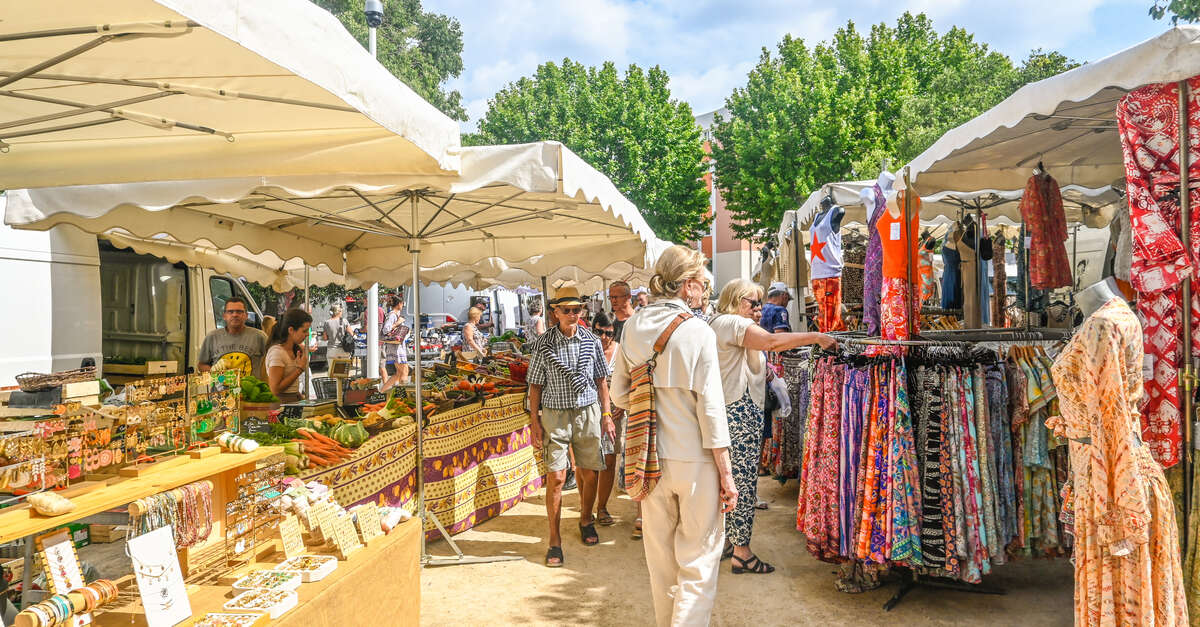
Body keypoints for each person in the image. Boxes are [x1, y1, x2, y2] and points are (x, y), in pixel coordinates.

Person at [610, 245, 737, 626]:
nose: (704, 289)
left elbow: (618, 395)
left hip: (648, 456)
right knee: (698, 561)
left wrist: (650, 394)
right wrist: (727, 474)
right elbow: (711, 410)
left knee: (661, 563)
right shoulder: (698, 330)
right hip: (696, 458)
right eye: (701, 282)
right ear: (687, 287)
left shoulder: (632, 326)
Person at [709, 279, 836, 574]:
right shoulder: (733, 323)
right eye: (753, 303)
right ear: (736, 300)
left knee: (733, 481)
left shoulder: (722, 323)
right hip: (738, 412)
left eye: (760, 303)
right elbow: (771, 341)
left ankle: (730, 542)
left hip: (733, 409)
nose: (758, 309)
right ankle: (742, 551)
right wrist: (816, 336)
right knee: (741, 482)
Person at [528, 286, 615, 568]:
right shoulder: (544, 344)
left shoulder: (591, 340)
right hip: (555, 414)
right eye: (566, 310)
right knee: (556, 477)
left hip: (587, 412)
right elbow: (535, 386)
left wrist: (606, 414)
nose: (572, 314)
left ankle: (586, 518)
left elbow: (602, 380)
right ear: (555, 313)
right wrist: (534, 423)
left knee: (589, 473)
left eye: (576, 310)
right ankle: (554, 540)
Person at [591, 312, 624, 528]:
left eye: (608, 333)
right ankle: (587, 508)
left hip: (613, 412)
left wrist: (622, 403)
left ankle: (601, 506)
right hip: (589, 411)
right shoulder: (587, 348)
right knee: (590, 462)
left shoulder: (620, 351)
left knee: (609, 460)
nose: (604, 337)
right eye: (599, 332)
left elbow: (630, 378)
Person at [198, 296, 269, 379]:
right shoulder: (212, 337)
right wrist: (212, 371)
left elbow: (273, 360)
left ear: (246, 315)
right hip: (220, 391)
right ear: (224, 316)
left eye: (239, 312)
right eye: (230, 312)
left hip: (249, 390)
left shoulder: (259, 336)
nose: (235, 315)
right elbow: (201, 365)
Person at [265, 308, 312, 403]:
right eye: (304, 331)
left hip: (293, 404)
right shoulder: (277, 352)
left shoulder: (294, 349)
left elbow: (291, 387)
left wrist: (298, 396)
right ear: (291, 330)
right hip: (281, 408)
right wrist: (299, 369)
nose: (307, 334)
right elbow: (275, 388)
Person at [381, 295, 410, 390]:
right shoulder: (393, 315)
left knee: (399, 373)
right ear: (399, 304)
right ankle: (402, 395)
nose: (403, 306)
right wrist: (398, 322)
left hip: (396, 346)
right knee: (404, 371)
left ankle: (383, 390)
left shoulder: (394, 314)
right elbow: (386, 329)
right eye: (402, 304)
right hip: (395, 347)